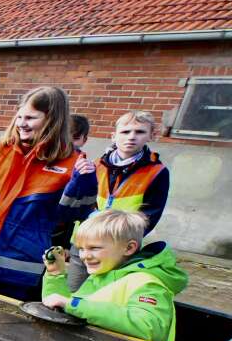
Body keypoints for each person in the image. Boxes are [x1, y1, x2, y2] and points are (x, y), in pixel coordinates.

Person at [0, 86, 94, 299]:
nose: (22, 123)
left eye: (31, 118)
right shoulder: (0, 151)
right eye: (20, 116)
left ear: (52, 120)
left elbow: (70, 216)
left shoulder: (71, 164)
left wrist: (84, 182)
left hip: (18, 271)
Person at [42, 210, 186, 341]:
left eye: (94, 248)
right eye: (81, 248)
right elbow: (63, 313)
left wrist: (73, 305)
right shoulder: (104, 274)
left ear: (129, 248)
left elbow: (148, 327)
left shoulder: (148, 284)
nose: (84, 256)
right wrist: (56, 275)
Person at [64, 111, 170, 291]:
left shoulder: (157, 172)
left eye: (140, 132)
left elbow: (150, 216)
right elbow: (76, 205)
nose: (131, 137)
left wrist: (122, 239)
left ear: (151, 135)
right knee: (74, 290)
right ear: (114, 136)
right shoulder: (96, 165)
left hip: (117, 249)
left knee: (104, 295)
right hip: (83, 243)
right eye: (125, 132)